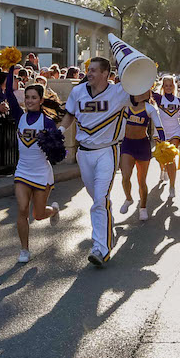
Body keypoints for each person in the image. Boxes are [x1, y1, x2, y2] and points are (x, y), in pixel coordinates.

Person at [62, 57, 131, 267]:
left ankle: (100, 248)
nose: (88, 73)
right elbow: (69, 116)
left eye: (93, 70)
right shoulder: (78, 92)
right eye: (88, 70)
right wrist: (58, 132)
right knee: (98, 200)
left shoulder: (120, 92)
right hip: (84, 154)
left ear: (105, 74)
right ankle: (106, 225)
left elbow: (143, 91)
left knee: (100, 200)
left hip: (107, 151)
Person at [0, 67, 61, 260]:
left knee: (39, 214)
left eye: (34, 97)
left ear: (41, 100)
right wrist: (10, 69)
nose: (29, 100)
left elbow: (57, 149)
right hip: (23, 171)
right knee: (23, 209)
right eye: (27, 97)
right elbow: (8, 93)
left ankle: (54, 210)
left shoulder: (47, 122)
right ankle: (24, 250)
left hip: (42, 172)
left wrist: (53, 145)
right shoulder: (20, 116)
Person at [118, 92, 159, 221]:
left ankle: (143, 207)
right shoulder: (125, 106)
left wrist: (160, 139)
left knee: (141, 180)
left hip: (142, 146)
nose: (141, 93)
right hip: (127, 144)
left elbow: (159, 126)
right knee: (125, 177)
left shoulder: (150, 108)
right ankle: (129, 199)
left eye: (145, 91)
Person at [152, 75, 180, 200]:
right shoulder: (158, 98)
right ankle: (163, 170)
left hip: (175, 132)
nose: (168, 87)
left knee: (171, 158)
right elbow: (146, 90)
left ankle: (172, 186)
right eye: (166, 85)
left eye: (171, 85)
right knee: (161, 158)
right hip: (160, 131)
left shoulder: (179, 101)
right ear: (163, 87)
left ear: (174, 86)